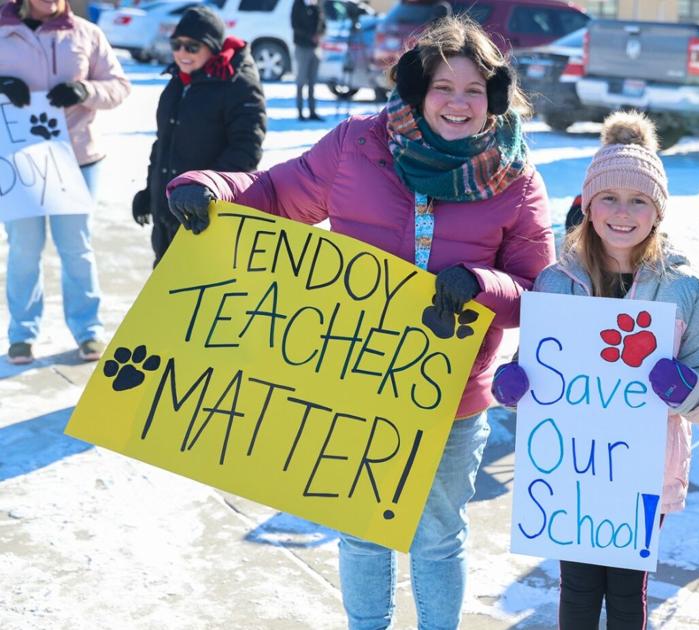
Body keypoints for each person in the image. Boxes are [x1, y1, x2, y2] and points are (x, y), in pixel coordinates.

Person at [164, 16, 555, 630]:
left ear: (493, 100)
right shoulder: (357, 146)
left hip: (450, 392)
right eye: (443, 88)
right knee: (362, 530)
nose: (458, 103)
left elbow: (539, 294)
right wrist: (208, 185)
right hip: (354, 382)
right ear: (418, 92)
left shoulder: (516, 179)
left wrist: (482, 286)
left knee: (436, 537)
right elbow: (273, 195)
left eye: (473, 91)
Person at [490, 111, 699, 629]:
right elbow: (534, 367)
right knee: (576, 587)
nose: (623, 213)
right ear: (588, 206)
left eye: (639, 200)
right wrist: (515, 383)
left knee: (626, 590)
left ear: (658, 210)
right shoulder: (555, 282)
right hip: (573, 467)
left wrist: (686, 389)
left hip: (644, 470)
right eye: (609, 198)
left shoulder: (687, 290)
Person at [0, 0, 130, 364]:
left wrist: (84, 91)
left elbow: (119, 86)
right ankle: (22, 333)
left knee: (76, 247)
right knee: (24, 247)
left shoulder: (86, 34)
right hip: (17, 159)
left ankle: (88, 331)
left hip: (77, 158)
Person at [133, 5, 266, 264]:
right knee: (163, 298)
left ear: (213, 47)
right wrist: (151, 192)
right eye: (177, 45)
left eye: (192, 47)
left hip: (205, 217)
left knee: (197, 299)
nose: (182, 52)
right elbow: (164, 142)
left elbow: (246, 151)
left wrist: (205, 189)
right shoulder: (179, 81)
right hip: (169, 214)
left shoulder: (238, 85)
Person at [291, 0, 325, 121]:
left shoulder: (317, 4)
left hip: (315, 48)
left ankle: (312, 111)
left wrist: (319, 34)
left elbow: (322, 23)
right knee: (301, 81)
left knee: (312, 82)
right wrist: (310, 36)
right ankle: (300, 111)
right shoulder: (298, 4)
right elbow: (295, 25)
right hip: (302, 47)